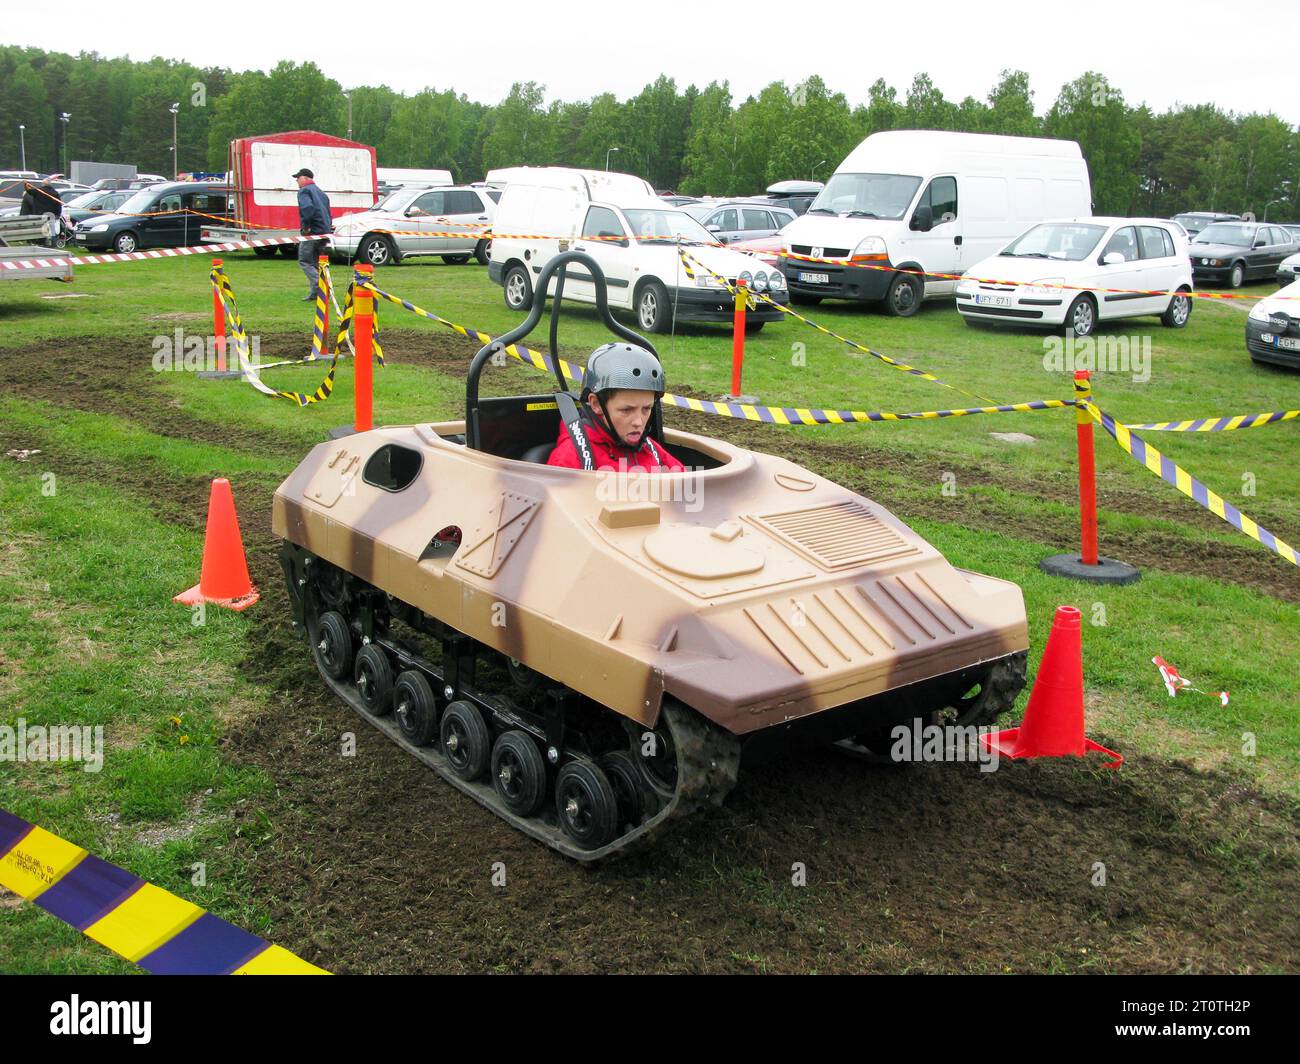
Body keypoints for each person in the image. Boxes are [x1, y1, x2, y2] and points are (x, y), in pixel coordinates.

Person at [547, 342, 685, 472]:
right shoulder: (571, 459)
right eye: (626, 410)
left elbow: (689, 484)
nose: (638, 422)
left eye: (646, 409)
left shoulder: (650, 449)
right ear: (596, 404)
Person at [293, 168, 332, 301]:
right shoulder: (321, 193)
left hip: (313, 232)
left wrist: (306, 227)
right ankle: (316, 293)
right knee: (317, 262)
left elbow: (307, 208)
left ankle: (319, 285)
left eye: (297, 178)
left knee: (305, 260)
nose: (297, 181)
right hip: (324, 231)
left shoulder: (304, 191)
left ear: (304, 178)